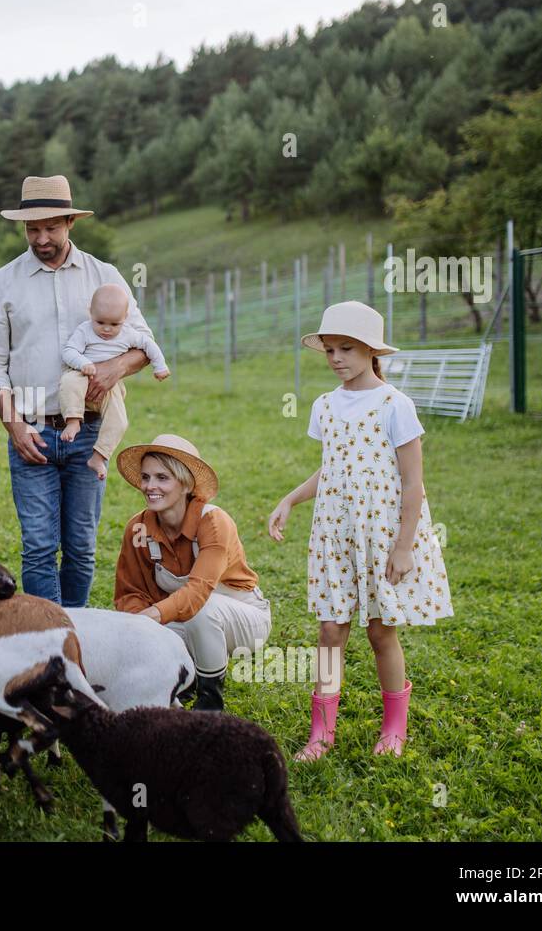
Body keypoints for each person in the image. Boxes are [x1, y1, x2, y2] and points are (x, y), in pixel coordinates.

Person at [268, 301, 453, 760]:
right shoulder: (325, 405)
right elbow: (331, 470)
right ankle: (322, 732)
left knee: (379, 630)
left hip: (382, 533)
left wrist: (404, 546)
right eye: (329, 350)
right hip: (336, 530)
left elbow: (413, 482)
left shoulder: (396, 404)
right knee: (331, 630)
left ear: (371, 350)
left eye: (346, 348)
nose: (335, 359)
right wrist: (290, 499)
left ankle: (394, 729)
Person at [0, 175, 153, 606]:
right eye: (32, 229)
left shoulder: (105, 276)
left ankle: (77, 635)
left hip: (89, 434)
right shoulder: (2, 283)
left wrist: (114, 368)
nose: (41, 238)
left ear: (71, 222)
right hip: (31, 432)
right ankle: (45, 639)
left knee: (81, 548)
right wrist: (15, 427)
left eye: (51, 227)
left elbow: (144, 345)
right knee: (38, 548)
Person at [112, 434, 272, 711]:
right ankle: (179, 686)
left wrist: (151, 617)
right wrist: (137, 627)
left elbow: (198, 591)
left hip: (244, 619)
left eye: (163, 478)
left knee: (202, 610)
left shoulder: (213, 521)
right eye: (146, 477)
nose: (150, 486)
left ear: (186, 483)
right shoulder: (137, 528)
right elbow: (130, 592)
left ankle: (210, 704)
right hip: (186, 618)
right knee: (132, 639)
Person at [59, 283, 170, 479]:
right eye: (100, 322)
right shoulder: (85, 330)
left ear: (125, 318)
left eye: (114, 324)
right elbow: (69, 351)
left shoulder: (129, 333)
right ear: (90, 313)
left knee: (120, 420)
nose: (107, 329)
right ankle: (73, 420)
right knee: (69, 382)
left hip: (110, 386)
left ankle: (99, 456)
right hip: (83, 374)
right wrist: (82, 363)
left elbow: (149, 345)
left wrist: (160, 366)